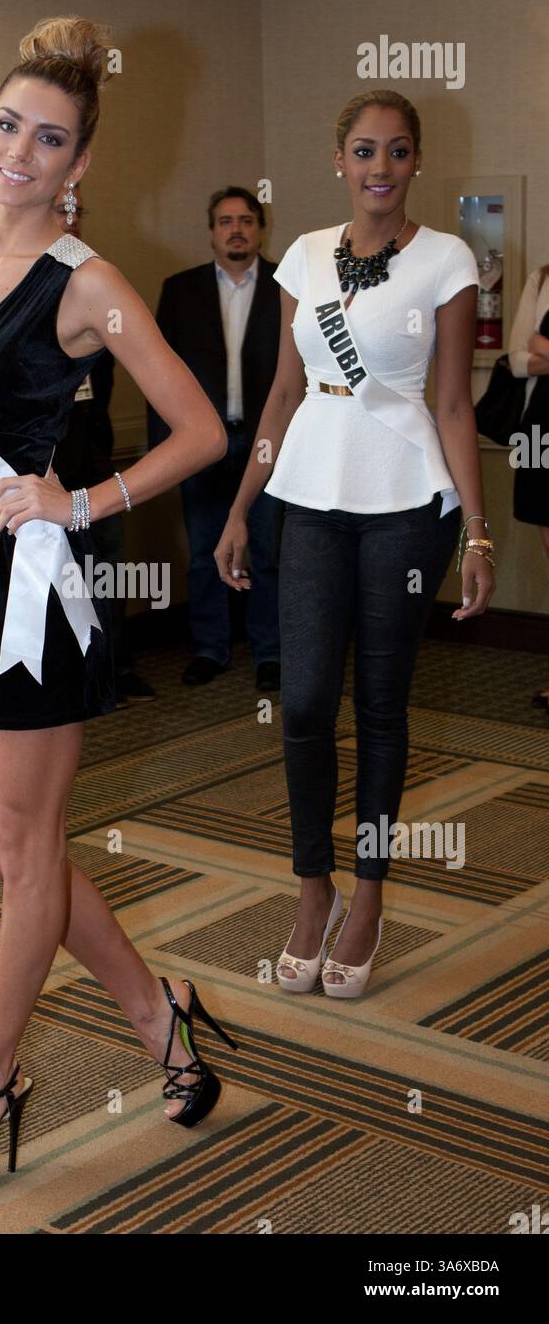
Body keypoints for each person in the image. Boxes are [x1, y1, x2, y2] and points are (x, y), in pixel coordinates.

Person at [0, 15, 237, 1191]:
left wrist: (78, 503)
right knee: (3, 851)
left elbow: (199, 430)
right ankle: (161, 1014)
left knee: (31, 852)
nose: (18, 155)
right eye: (6, 126)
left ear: (79, 163)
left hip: (37, 590)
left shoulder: (86, 286)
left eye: (49, 140)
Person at [215, 90, 496, 999]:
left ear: (416, 163)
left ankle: (368, 894)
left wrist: (479, 533)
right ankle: (313, 886)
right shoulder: (299, 256)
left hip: (405, 499)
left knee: (379, 705)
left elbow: (453, 403)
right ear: (339, 159)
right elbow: (284, 396)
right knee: (301, 703)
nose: (381, 168)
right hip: (309, 489)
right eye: (366, 151)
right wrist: (240, 505)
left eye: (399, 151)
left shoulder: (447, 260)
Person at [147, 188, 284, 692]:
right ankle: (210, 649)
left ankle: (270, 652)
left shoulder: (285, 286)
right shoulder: (180, 291)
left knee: (267, 551)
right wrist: (164, 451)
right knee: (206, 551)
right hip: (201, 445)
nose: (236, 229)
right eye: (225, 221)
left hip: (267, 443)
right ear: (211, 231)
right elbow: (158, 379)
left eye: (246, 220)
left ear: (260, 230)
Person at [51, 185, 156, 707]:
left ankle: (115, 668)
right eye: (60, 211)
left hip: (96, 463)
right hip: (44, 473)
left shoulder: (100, 284)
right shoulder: (24, 291)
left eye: (77, 214)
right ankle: (76, 675)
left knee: (108, 570)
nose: (70, 223)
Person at [507, 262, 549, 712]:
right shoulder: (542, 278)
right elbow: (519, 360)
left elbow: (536, 350)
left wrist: (546, 348)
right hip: (542, 429)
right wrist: (536, 351)